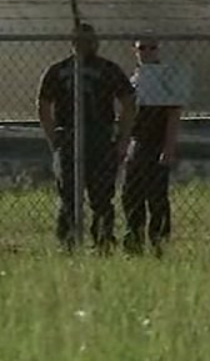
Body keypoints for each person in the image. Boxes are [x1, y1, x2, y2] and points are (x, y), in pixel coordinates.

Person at [37, 23, 137, 252]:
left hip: (99, 134)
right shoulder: (58, 70)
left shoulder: (107, 69)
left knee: (101, 196)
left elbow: (129, 102)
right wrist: (54, 138)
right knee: (70, 197)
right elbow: (43, 105)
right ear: (72, 43)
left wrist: (122, 138)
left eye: (89, 40)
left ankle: (101, 242)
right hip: (70, 135)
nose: (86, 45)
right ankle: (70, 242)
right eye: (81, 41)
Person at [123, 38, 182, 257]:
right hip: (136, 142)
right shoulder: (135, 78)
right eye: (142, 48)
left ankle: (159, 243)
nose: (147, 52)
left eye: (152, 47)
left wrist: (169, 147)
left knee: (157, 196)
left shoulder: (165, 77)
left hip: (156, 141)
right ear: (134, 51)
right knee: (131, 194)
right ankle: (133, 241)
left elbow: (173, 114)